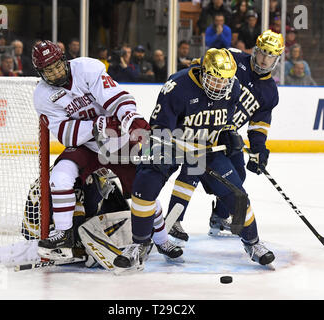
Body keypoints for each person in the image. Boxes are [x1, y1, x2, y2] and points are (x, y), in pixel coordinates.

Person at [113, 47, 274, 272]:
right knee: (144, 186)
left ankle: (253, 243)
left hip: (207, 147)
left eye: (225, 81)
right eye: (215, 80)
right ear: (202, 72)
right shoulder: (177, 86)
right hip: (170, 143)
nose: (221, 86)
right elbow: (160, 128)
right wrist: (173, 149)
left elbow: (226, 121)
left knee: (237, 195)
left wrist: (229, 134)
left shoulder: (233, 87)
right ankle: (139, 244)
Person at [30, 40, 182, 262]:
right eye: (48, 71)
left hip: (116, 141)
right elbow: (64, 133)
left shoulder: (87, 69)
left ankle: (161, 240)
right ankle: (64, 234)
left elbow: (118, 99)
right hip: (86, 145)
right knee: (60, 176)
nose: (54, 73)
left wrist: (132, 119)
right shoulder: (42, 96)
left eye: (57, 66)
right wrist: (97, 125)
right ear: (41, 73)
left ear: (64, 60)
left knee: (144, 193)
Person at [166, 30, 285, 267]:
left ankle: (232, 226)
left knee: (238, 182)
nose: (263, 60)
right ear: (255, 49)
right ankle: (170, 224)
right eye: (261, 53)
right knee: (192, 170)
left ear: (277, 59)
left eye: (269, 57)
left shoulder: (270, 91)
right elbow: (199, 70)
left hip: (225, 137)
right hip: (196, 128)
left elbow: (259, 124)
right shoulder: (232, 58)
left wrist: (259, 150)